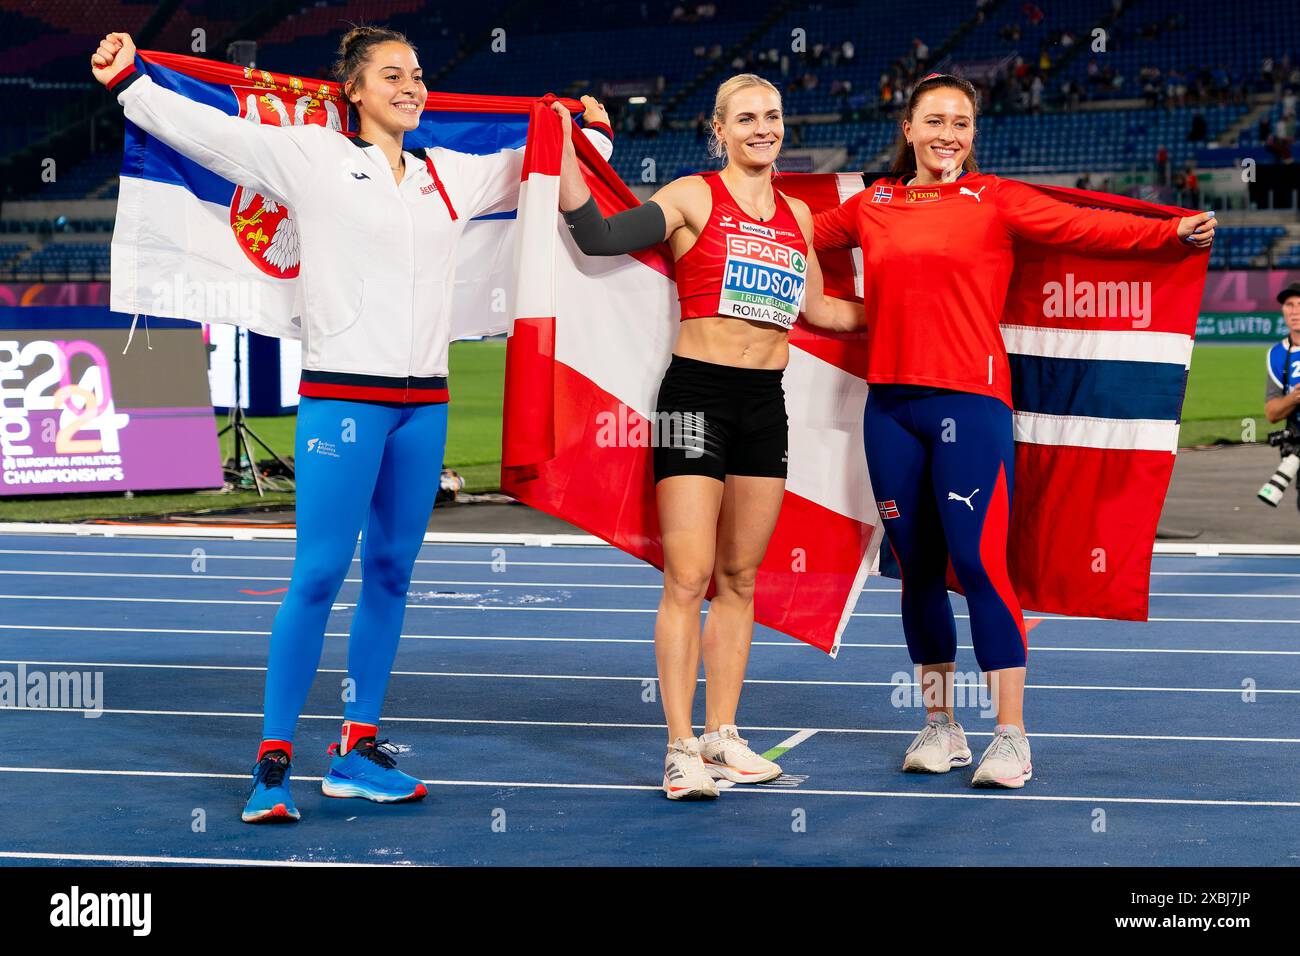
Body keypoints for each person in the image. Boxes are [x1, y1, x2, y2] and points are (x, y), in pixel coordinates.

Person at [91, 27, 614, 822]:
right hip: (343, 399)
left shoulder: (447, 176)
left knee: (394, 574)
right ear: (356, 92)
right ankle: (272, 761)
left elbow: (535, 167)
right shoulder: (313, 156)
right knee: (318, 575)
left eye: (418, 74)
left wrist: (584, 127)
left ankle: (354, 749)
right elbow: (215, 135)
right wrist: (132, 82)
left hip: (423, 407)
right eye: (392, 74)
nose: (411, 85)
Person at [812, 72, 1215, 788]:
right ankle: (941, 725)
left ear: (973, 133)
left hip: (971, 407)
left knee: (980, 565)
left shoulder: (995, 198)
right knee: (915, 575)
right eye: (933, 121)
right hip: (890, 411)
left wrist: (1170, 231)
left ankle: (1011, 736)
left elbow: (1088, 226)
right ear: (907, 129)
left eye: (961, 122)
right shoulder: (872, 204)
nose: (947, 134)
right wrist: (827, 302)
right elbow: (786, 233)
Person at [553, 73, 861, 800]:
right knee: (687, 577)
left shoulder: (796, 215)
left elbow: (821, 309)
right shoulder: (694, 195)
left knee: (741, 579)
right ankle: (680, 746)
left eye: (774, 116)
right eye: (747, 117)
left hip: (765, 403)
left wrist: (909, 309)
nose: (764, 128)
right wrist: (560, 142)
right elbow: (598, 237)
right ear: (717, 129)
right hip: (695, 396)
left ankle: (723, 735)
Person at [1265, 284, 1300, 428]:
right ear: (1283, 310)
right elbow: (1272, 413)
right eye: (1289, 305)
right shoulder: (1277, 354)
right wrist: (1295, 397)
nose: (1295, 311)